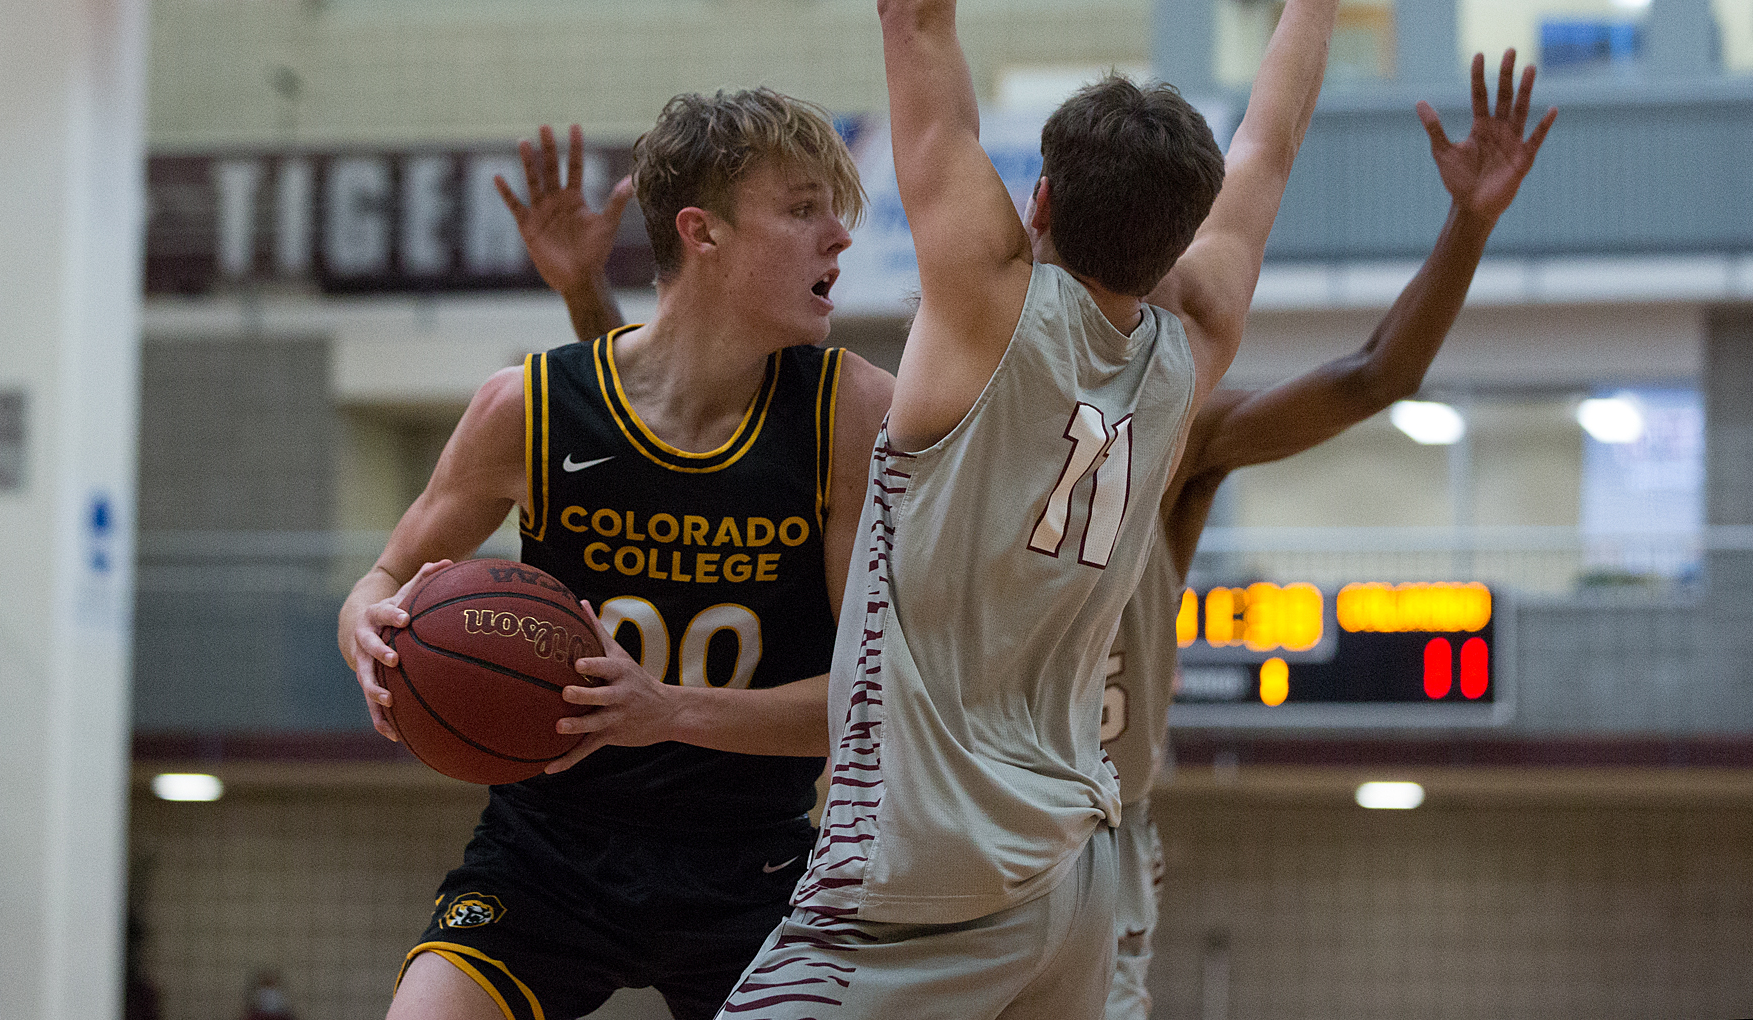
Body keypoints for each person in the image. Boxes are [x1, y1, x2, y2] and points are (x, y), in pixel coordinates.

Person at [708, 0, 1342, 1015]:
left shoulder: (986, 301)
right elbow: (1269, 144)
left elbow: (918, 28)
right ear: (1184, 237)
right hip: (1073, 876)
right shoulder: (1196, 346)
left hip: (919, 868)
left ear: (1038, 197)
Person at [337, 91, 893, 1020]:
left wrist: (667, 709)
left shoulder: (849, 410)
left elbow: (872, 707)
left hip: (752, 863)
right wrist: (369, 626)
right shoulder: (528, 406)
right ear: (701, 232)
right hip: (548, 848)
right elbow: (386, 577)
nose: (838, 237)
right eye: (803, 209)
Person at [1100, 50, 1557, 1018]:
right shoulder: (955, 411)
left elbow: (1376, 374)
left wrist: (1469, 225)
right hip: (962, 820)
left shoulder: (1180, 435)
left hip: (1099, 830)